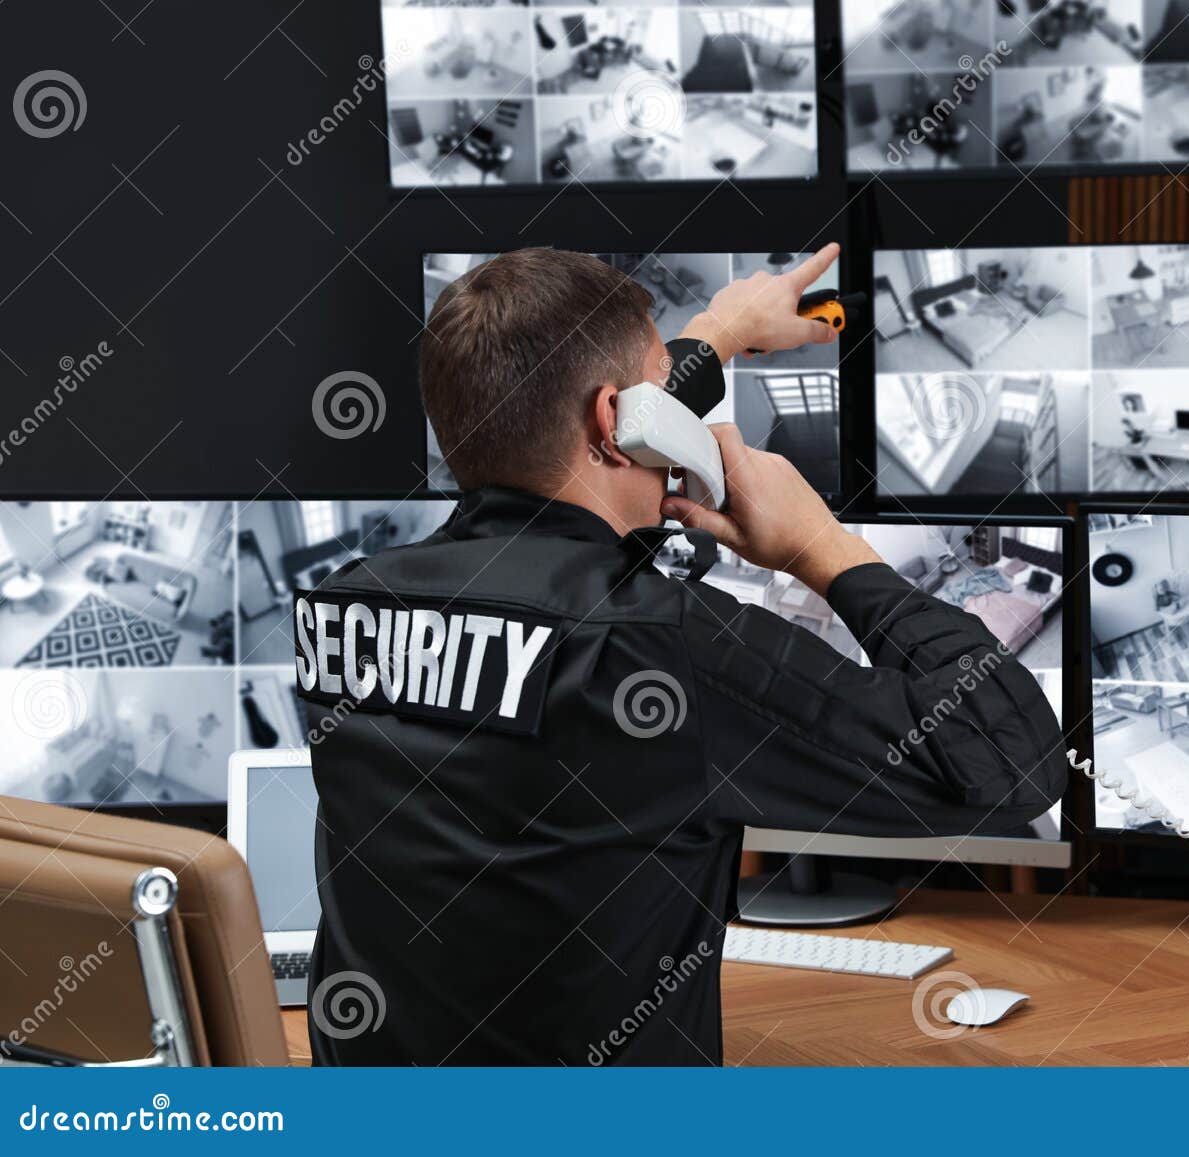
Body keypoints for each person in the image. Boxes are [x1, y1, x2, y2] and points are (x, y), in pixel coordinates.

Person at [293, 244, 1068, 1065]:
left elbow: (565, 408)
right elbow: (1007, 760)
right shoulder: (657, 644)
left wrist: (720, 331)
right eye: (657, 390)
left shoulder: (348, 603)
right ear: (614, 424)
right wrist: (820, 544)